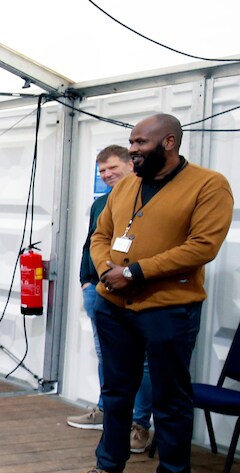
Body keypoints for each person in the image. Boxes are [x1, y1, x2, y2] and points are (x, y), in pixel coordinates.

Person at [70, 114, 232, 473]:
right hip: (113, 305)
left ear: (170, 142)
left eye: (141, 142)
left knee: (171, 399)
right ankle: (110, 467)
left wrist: (135, 272)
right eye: (132, 142)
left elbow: (202, 246)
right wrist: (108, 268)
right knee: (117, 390)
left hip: (168, 307)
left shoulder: (209, 185)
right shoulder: (126, 185)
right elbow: (100, 235)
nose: (134, 149)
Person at [66, 145, 155, 454]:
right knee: (107, 356)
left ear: (131, 165)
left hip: (136, 290)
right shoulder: (101, 204)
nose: (106, 175)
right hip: (99, 289)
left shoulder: (148, 200)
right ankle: (107, 412)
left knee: (143, 362)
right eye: (101, 170)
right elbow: (91, 243)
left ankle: (139, 425)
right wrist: (86, 280)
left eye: (112, 168)